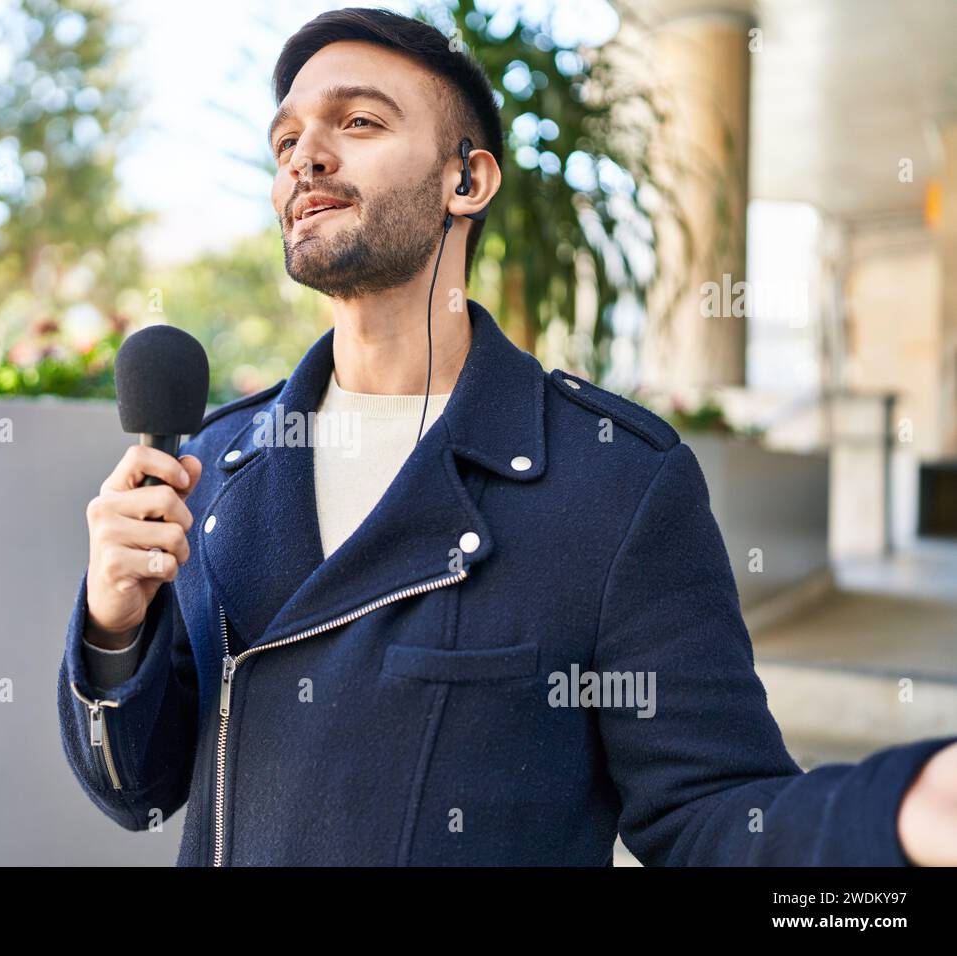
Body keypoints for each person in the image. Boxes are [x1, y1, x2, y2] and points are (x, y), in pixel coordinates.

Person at [56, 7, 957, 866]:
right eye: (286, 142)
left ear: (468, 179)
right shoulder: (217, 467)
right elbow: (140, 789)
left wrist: (903, 816)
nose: (306, 159)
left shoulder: (614, 486)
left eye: (359, 122)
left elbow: (710, 813)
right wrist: (112, 624)